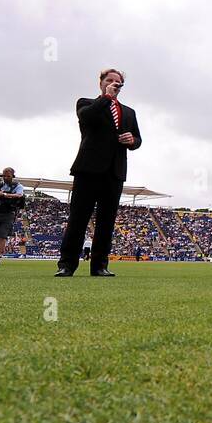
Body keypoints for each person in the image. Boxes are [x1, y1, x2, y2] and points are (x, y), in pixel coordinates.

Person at [56, 68, 142, 277]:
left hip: (114, 172)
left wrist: (133, 141)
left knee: (107, 221)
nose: (113, 83)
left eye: (117, 81)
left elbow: (138, 139)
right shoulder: (86, 103)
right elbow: (88, 119)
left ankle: (99, 266)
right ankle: (67, 265)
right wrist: (106, 98)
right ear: (101, 82)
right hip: (88, 169)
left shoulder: (129, 112)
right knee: (78, 218)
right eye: (109, 80)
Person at [0, 167, 25, 265]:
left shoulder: (17, 185)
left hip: (8, 214)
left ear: (13, 176)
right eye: (4, 175)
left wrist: (4, 195)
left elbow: (19, 195)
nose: (6, 177)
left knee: (2, 236)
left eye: (8, 176)